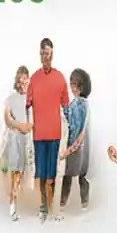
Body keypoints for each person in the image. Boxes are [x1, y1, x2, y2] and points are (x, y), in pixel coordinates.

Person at [26, 37, 70, 223]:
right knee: (41, 174)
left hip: (54, 134)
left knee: (51, 175)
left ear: (52, 54)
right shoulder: (34, 79)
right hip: (38, 135)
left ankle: (52, 208)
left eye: (48, 52)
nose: (45, 55)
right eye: (42, 52)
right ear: (39, 54)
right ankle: (44, 207)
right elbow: (26, 106)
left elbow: (66, 106)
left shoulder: (60, 78)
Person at [60, 68, 92, 214]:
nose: (71, 87)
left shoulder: (80, 104)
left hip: (76, 147)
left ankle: (62, 205)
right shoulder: (82, 103)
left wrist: (68, 151)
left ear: (80, 86)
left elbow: (76, 129)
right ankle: (84, 206)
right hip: (82, 148)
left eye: (73, 84)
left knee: (69, 176)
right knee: (82, 176)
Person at [2, 66, 32, 222]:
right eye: (19, 82)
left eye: (24, 81)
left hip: (29, 141)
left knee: (22, 176)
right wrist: (20, 126)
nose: (21, 85)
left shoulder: (32, 98)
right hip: (15, 140)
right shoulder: (11, 98)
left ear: (28, 79)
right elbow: (7, 120)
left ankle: (22, 204)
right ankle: (12, 205)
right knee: (15, 173)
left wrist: (28, 127)